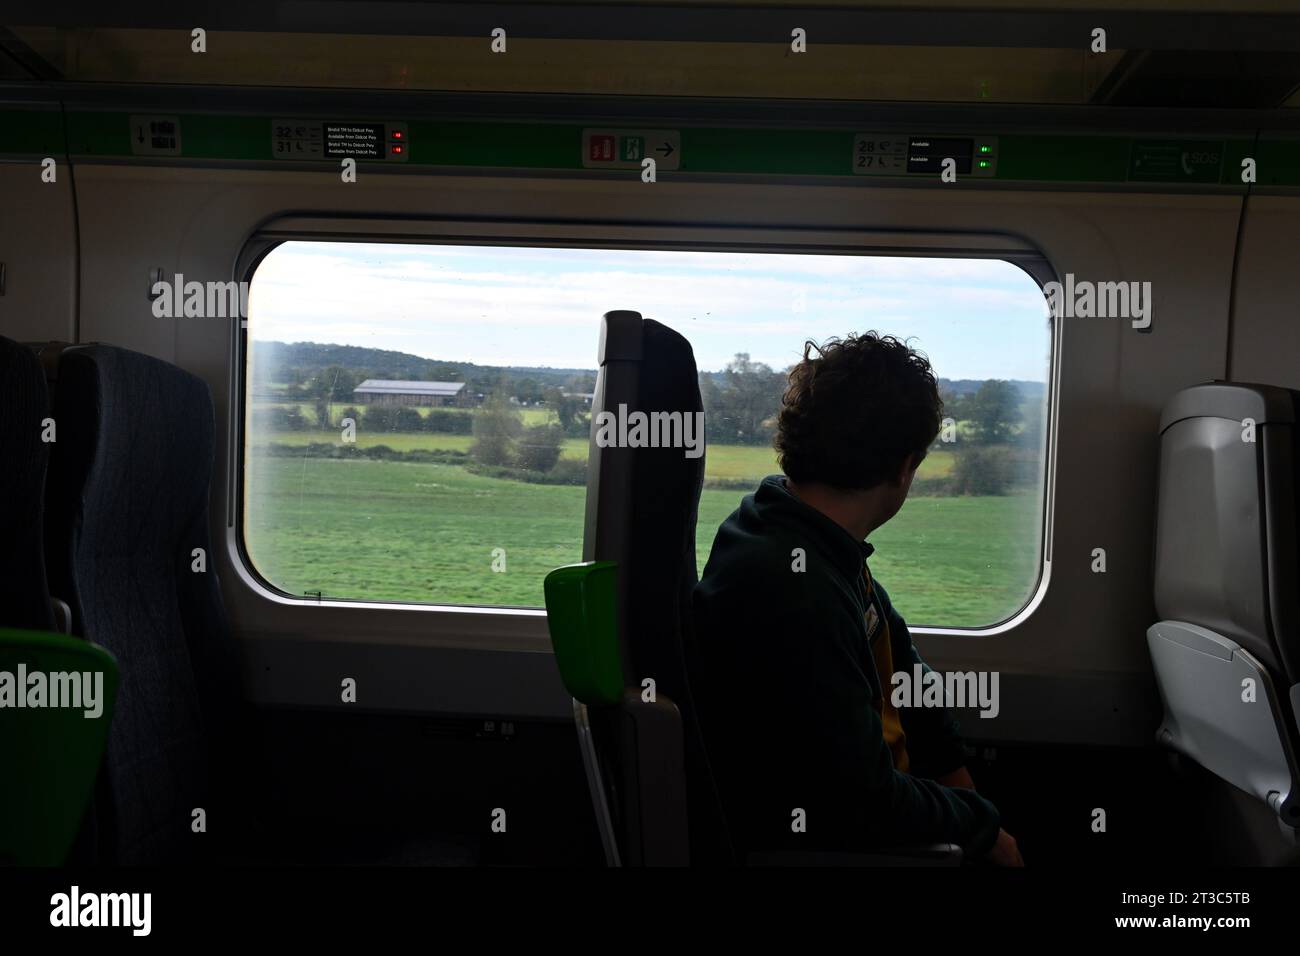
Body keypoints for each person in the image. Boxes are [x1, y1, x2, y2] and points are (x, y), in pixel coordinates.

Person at [692, 332, 1023, 865]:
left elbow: (913, 688)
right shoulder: (790, 585)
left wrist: (975, 811)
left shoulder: (815, 541)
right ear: (903, 467)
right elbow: (864, 800)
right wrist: (985, 830)